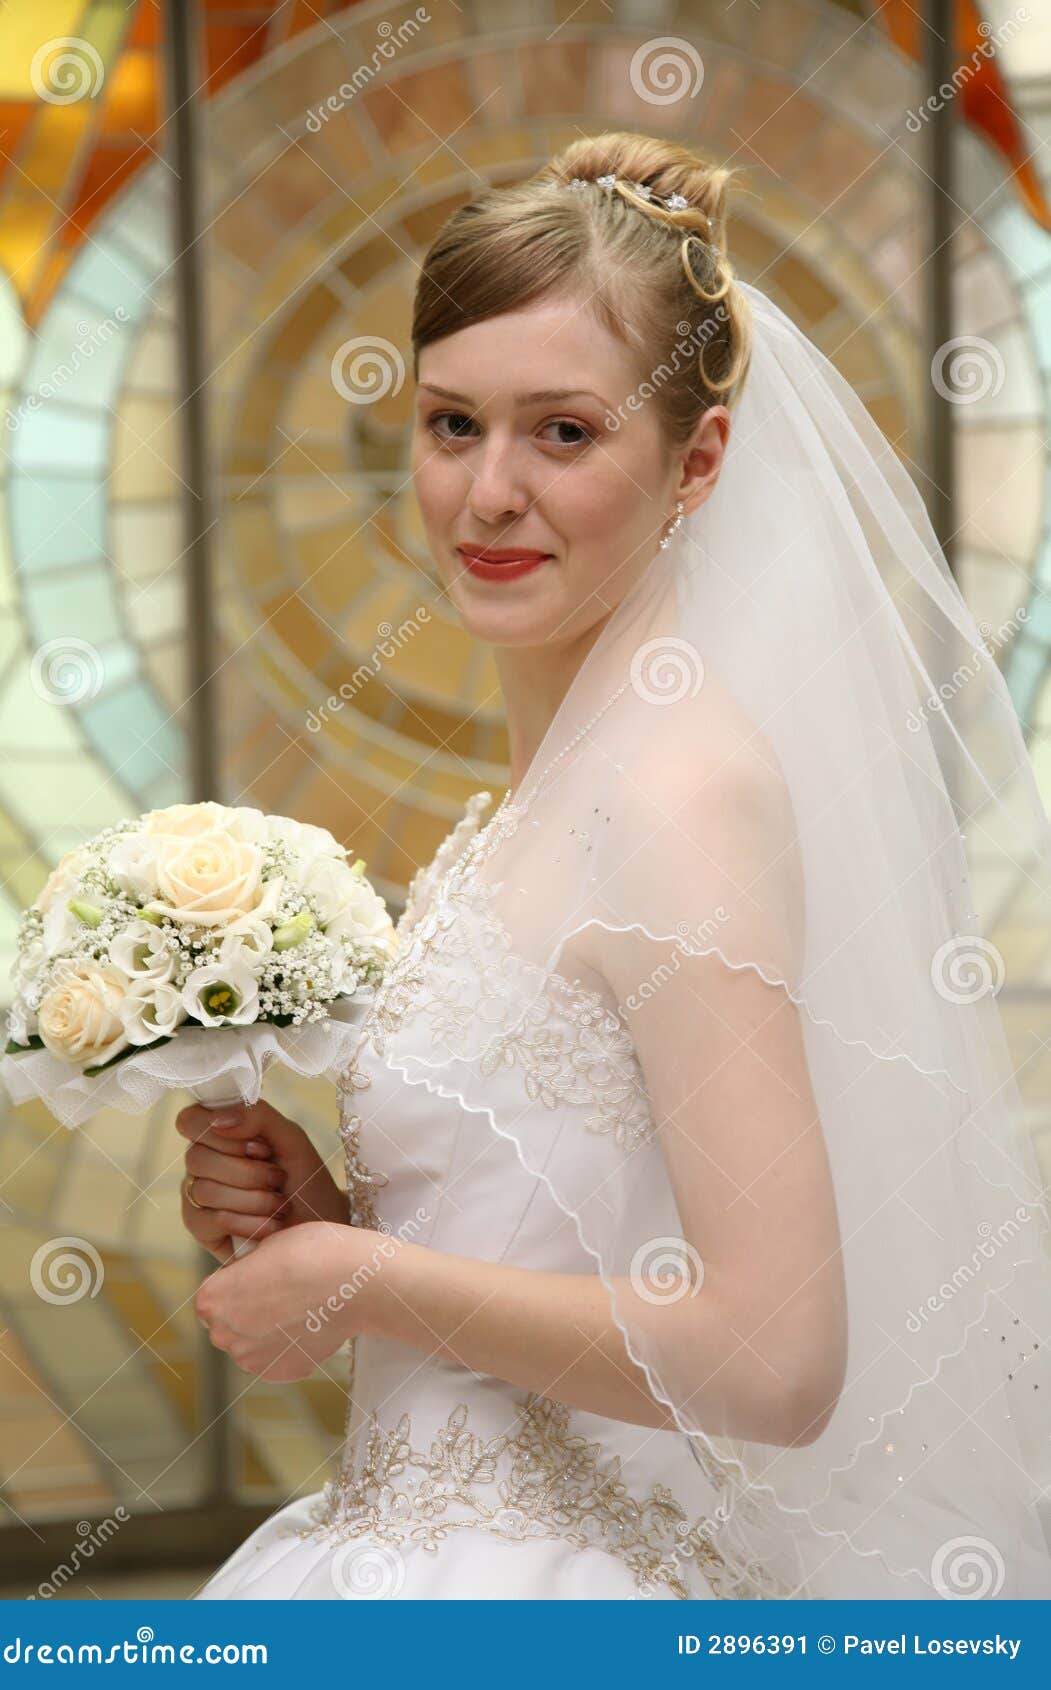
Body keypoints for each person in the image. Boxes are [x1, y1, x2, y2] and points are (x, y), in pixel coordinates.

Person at [180, 132, 1051, 1600]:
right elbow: (566, 1241)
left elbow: (775, 1360)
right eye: (453, 424)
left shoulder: (680, 794)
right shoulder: (531, 800)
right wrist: (336, 1227)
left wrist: (368, 1280)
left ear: (696, 458)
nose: (489, 493)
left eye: (565, 433)